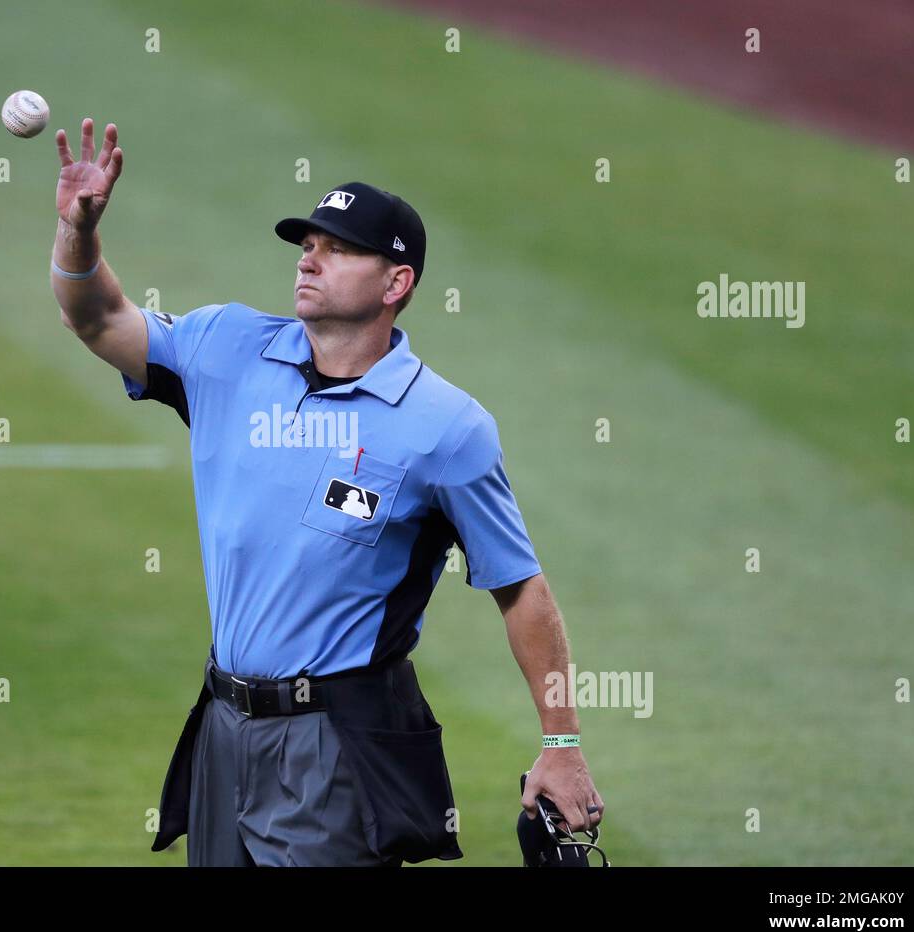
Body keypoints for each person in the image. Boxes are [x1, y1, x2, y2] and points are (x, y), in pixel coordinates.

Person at [49, 117, 604, 866]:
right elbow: (98, 315)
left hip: (334, 742)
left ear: (396, 283)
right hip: (223, 723)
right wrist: (78, 232)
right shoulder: (227, 349)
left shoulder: (445, 428)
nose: (310, 260)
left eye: (338, 249)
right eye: (308, 245)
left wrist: (561, 742)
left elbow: (521, 589)